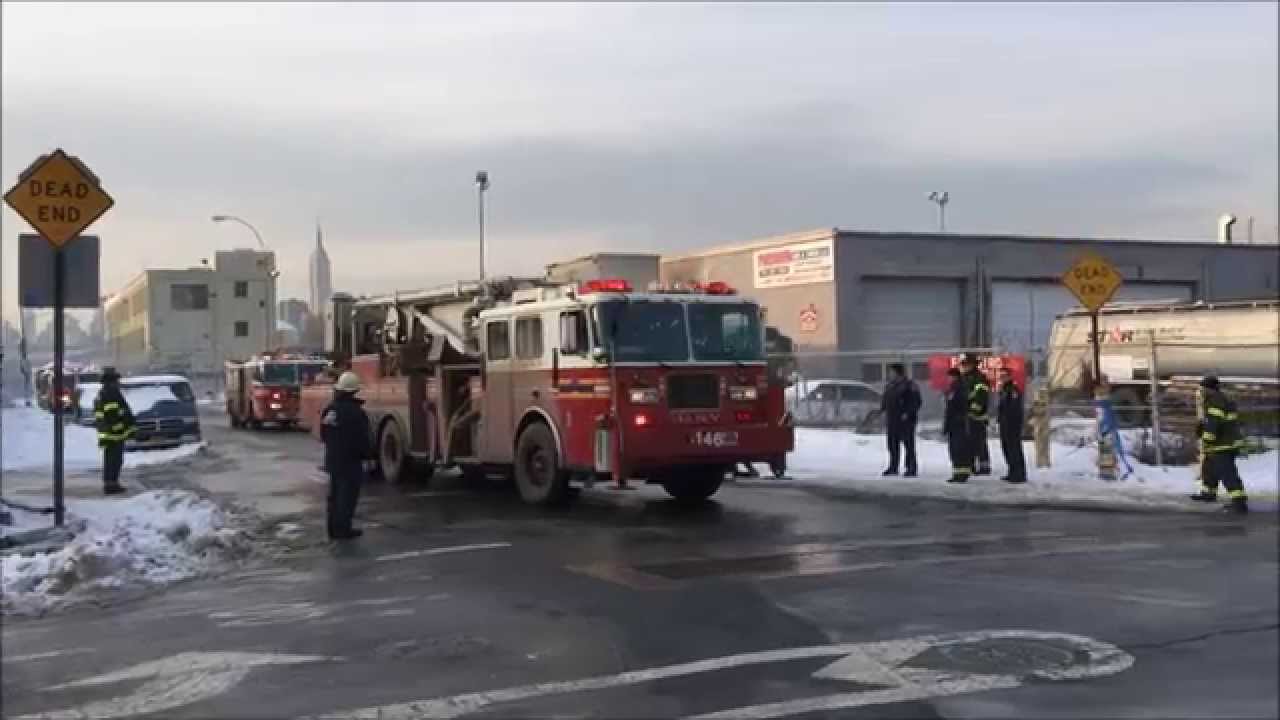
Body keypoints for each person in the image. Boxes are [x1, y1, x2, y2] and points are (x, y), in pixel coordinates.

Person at [321, 371, 374, 539]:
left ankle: (332, 529)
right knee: (347, 497)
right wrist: (367, 457)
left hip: (333, 460)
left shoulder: (330, 410)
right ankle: (344, 530)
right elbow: (362, 439)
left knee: (334, 496)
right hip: (350, 462)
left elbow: (324, 434)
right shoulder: (356, 413)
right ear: (354, 391)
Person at [1190, 375, 1247, 514]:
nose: (1201, 391)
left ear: (1210, 389)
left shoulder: (1216, 401)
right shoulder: (1215, 399)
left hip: (1223, 444)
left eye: (1203, 388)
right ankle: (1208, 493)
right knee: (1209, 468)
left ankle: (1239, 502)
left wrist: (1206, 437)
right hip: (1220, 442)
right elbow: (1210, 421)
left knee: (1227, 472)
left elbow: (1213, 422)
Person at [94, 367, 136, 495]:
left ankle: (111, 483)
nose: (118, 382)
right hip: (113, 434)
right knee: (114, 459)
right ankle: (111, 484)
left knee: (111, 459)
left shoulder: (104, 392)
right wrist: (120, 429)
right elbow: (112, 413)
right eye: (116, 380)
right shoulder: (111, 393)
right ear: (111, 381)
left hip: (109, 433)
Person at [881, 363, 922, 477]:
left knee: (908, 445)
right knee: (892, 444)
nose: (890, 374)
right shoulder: (890, 385)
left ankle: (911, 468)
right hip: (892, 419)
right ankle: (893, 466)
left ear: (897, 372)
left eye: (891, 372)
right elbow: (886, 399)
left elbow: (916, 401)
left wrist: (908, 413)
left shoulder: (909, 385)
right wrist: (883, 409)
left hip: (905, 420)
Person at [961, 354, 991, 475]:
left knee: (980, 442)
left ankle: (984, 467)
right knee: (969, 442)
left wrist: (974, 410)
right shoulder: (965, 378)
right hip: (967, 415)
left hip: (978, 416)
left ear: (972, 365)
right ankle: (971, 465)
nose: (964, 367)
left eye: (966, 364)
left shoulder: (979, 378)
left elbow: (981, 396)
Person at [996, 367, 1027, 484]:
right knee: (1007, 449)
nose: (1002, 378)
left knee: (1014, 448)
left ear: (1009, 376)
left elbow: (1013, 409)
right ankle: (1012, 471)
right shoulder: (1003, 390)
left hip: (1012, 424)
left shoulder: (1013, 390)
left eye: (1004, 376)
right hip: (1005, 424)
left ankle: (1019, 474)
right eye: (1001, 376)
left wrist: (1009, 421)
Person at [943, 367, 971, 483]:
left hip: (958, 422)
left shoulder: (959, 388)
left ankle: (961, 474)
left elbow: (955, 407)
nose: (948, 379)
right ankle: (958, 473)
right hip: (954, 422)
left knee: (959, 449)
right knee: (955, 449)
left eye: (950, 377)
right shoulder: (954, 389)